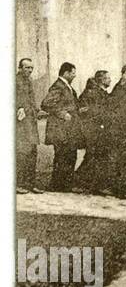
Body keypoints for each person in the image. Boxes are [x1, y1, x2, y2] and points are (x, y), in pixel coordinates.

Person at [41, 62, 80, 191]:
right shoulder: (58, 86)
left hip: (68, 129)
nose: (75, 75)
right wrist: (62, 113)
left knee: (69, 155)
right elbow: (46, 104)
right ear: (66, 73)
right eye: (73, 72)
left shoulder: (67, 86)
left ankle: (65, 185)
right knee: (62, 155)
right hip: (60, 129)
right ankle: (57, 185)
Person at [16, 58, 42, 193]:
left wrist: (38, 111)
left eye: (31, 68)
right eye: (27, 68)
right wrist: (18, 108)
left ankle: (30, 184)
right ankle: (18, 184)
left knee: (32, 152)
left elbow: (31, 101)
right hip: (20, 125)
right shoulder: (15, 81)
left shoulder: (29, 81)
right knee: (21, 154)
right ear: (20, 68)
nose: (30, 70)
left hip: (31, 123)